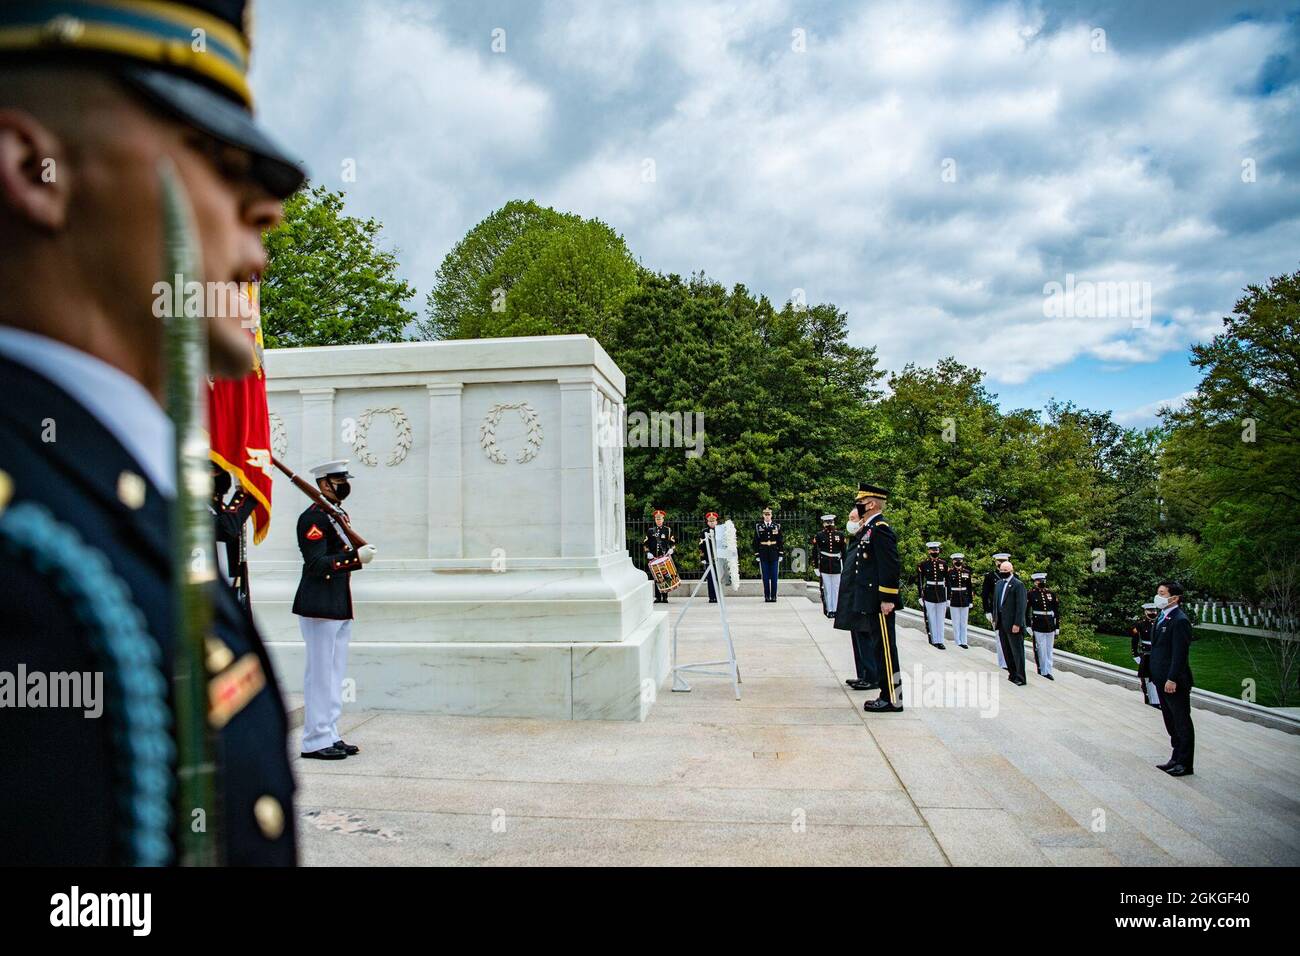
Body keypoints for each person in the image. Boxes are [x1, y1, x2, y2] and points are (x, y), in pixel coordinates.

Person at [0, 0, 303, 865]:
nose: (269, 207)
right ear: (36, 168)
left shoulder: (108, 487)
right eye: (213, 154)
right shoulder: (29, 554)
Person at [294, 460, 376, 760]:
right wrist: (355, 559)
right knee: (320, 675)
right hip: (319, 605)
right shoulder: (313, 518)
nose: (344, 484)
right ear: (324, 484)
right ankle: (314, 740)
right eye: (338, 479)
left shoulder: (335, 514)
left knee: (334, 673)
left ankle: (329, 732)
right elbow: (315, 565)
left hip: (337, 604)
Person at [843, 484, 903, 712]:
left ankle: (893, 699)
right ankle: (886, 694)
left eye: (862, 501)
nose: (858, 505)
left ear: (872, 504)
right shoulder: (868, 528)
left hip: (881, 602)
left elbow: (890, 565)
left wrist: (888, 598)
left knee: (887, 651)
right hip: (870, 600)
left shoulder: (881, 528)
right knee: (879, 648)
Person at [1149, 581, 1195, 777]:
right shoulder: (1163, 616)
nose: (1158, 597)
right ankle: (1175, 758)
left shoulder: (1180, 620)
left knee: (1181, 721)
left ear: (1174, 598)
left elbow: (1180, 654)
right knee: (1170, 721)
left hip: (1173, 681)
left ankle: (1185, 763)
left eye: (1162, 593)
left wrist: (1172, 678)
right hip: (1161, 678)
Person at [833, 504, 878, 691]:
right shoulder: (856, 539)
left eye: (852, 519)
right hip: (853, 596)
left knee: (865, 635)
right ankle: (863, 674)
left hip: (863, 597)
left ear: (861, 520)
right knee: (857, 636)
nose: (849, 523)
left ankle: (872, 676)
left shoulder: (868, 537)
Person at [212, 461, 258, 615]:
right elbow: (226, 529)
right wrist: (245, 494)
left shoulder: (220, 509)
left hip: (227, 591)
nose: (221, 474)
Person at [992, 559, 1028, 685]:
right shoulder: (999, 584)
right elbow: (996, 603)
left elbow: (1021, 606)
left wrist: (1017, 623)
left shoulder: (1018, 584)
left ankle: (1021, 677)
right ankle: (1012, 674)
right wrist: (995, 618)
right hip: (1001, 623)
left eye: (1005, 571)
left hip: (1013, 624)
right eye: (1001, 570)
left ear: (1011, 571)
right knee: (1006, 650)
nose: (1003, 572)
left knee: (1017, 651)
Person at [812, 513, 846, 618]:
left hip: (836, 564)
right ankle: (829, 609)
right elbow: (814, 552)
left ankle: (836, 609)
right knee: (826, 588)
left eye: (830, 522)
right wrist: (816, 566)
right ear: (823, 524)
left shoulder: (840, 535)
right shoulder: (819, 535)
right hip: (825, 564)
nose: (829, 524)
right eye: (827, 523)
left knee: (836, 588)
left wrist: (845, 566)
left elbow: (844, 552)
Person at [1027, 571, 1059, 680]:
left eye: (1042, 580)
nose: (1041, 582)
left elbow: (1056, 611)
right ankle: (1042, 670)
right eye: (1039, 581)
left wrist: (1057, 626)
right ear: (1035, 582)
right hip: (1038, 624)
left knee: (1049, 649)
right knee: (1041, 649)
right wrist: (1027, 625)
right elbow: (1026, 610)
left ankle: (1048, 670)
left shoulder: (1051, 593)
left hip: (1050, 624)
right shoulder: (1031, 594)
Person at [1129, 602, 1162, 708]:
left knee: (1159, 677)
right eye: (1150, 611)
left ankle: (1159, 700)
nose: (1152, 613)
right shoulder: (1140, 624)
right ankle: (1151, 700)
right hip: (1147, 654)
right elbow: (1135, 640)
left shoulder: (1160, 623)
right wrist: (1135, 655)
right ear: (1145, 612)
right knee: (1147, 678)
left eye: (1154, 611)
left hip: (1159, 654)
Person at [917, 541, 949, 649]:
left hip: (941, 592)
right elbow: (920, 581)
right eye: (933, 550)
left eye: (936, 550)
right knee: (931, 617)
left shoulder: (944, 564)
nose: (935, 552)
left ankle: (940, 640)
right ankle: (934, 639)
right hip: (929, 592)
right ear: (929, 551)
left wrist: (948, 597)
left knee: (940, 618)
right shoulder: (924, 564)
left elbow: (948, 581)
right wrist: (920, 596)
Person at [982, 552, 1011, 669]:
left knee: (1009, 638)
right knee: (999, 637)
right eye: (999, 562)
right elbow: (985, 595)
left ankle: (1009, 661)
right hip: (996, 611)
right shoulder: (990, 576)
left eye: (1004, 561)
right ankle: (1003, 662)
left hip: (1009, 612)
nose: (1001, 564)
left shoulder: (1014, 577)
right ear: (996, 562)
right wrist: (987, 611)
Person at [643, 508, 675, 604]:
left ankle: (665, 597)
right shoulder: (650, 531)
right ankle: (658, 597)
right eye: (657, 519)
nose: (658, 521)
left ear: (663, 519)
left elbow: (673, 542)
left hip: (664, 556)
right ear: (655, 520)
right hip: (654, 557)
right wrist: (647, 552)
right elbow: (645, 543)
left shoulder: (667, 530)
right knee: (657, 577)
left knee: (665, 576)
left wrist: (672, 549)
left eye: (660, 519)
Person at [753, 506, 784, 602]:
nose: (767, 516)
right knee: (765, 577)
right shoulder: (759, 527)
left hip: (774, 553)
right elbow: (755, 541)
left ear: (771, 515)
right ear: (763, 515)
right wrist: (757, 554)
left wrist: (781, 553)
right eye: (765, 515)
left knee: (774, 576)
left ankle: (774, 596)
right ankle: (767, 596)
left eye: (769, 515)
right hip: (763, 554)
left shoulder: (776, 526)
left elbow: (780, 540)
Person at [945, 553, 973, 648]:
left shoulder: (967, 572)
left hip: (964, 598)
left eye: (960, 560)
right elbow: (948, 586)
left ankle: (964, 641)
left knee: (964, 621)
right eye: (956, 560)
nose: (958, 562)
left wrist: (971, 601)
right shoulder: (949, 572)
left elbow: (969, 587)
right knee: (955, 621)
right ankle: (957, 641)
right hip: (954, 598)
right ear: (953, 561)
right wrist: (948, 598)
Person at [698, 510, 721, 603]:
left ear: (716, 521)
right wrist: (702, 558)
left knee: (718, 578)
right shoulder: (704, 532)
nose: (712, 523)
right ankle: (711, 597)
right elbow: (701, 546)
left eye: (713, 521)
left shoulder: (720, 531)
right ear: (707, 522)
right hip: (708, 558)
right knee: (710, 578)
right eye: (710, 521)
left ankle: (718, 596)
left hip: (718, 558)